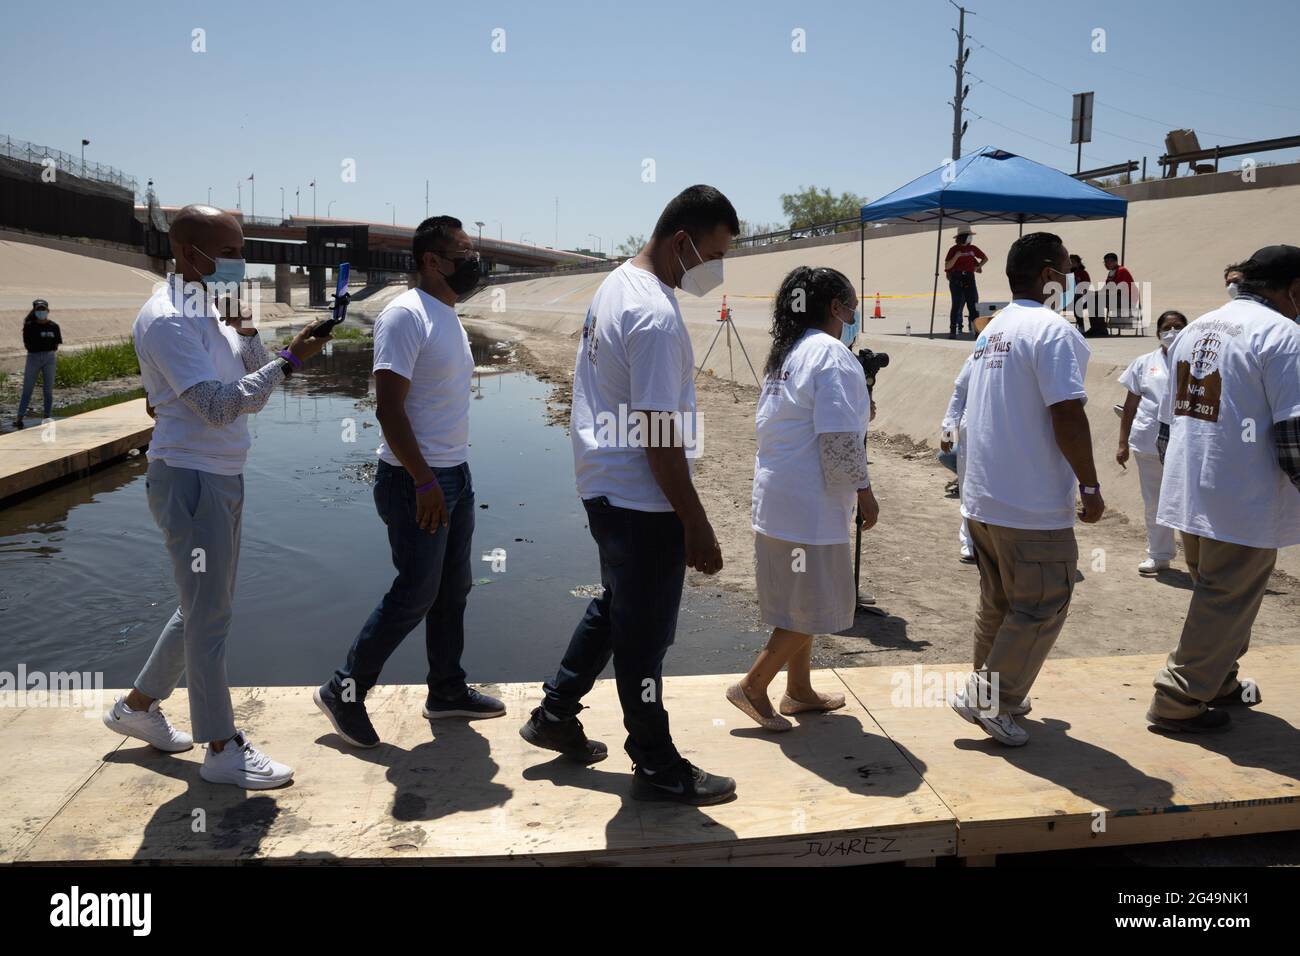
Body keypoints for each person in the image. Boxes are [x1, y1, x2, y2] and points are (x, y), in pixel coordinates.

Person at [519, 184, 739, 805]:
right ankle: (655, 761)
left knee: (618, 607)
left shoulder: (618, 283)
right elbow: (658, 432)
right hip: (642, 501)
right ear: (681, 241)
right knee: (644, 641)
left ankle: (556, 712)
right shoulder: (654, 315)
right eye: (712, 255)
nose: (713, 271)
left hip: (603, 485)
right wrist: (694, 520)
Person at [103, 204, 330, 788]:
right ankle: (222, 747)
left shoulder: (212, 306)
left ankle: (136, 707)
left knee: (201, 608)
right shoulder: (168, 319)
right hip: (191, 475)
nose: (238, 261)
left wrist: (254, 333)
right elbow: (219, 405)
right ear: (186, 253)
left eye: (239, 249)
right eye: (227, 251)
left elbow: (248, 377)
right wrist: (290, 359)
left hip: (220, 473)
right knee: (210, 618)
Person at [314, 216, 504, 748]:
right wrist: (423, 481)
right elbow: (389, 409)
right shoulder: (404, 315)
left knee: (453, 588)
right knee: (414, 592)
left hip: (454, 473)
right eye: (463, 251)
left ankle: (446, 691)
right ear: (431, 261)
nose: (473, 260)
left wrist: (448, 476)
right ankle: (343, 690)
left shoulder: (446, 313)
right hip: (414, 479)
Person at [948, 232, 1104, 747]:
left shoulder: (993, 330)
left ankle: (990, 691)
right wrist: (1089, 483)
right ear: (1046, 274)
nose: (1071, 276)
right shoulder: (1051, 330)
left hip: (986, 496)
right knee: (1042, 603)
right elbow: (1066, 411)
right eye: (1065, 268)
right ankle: (991, 698)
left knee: (1000, 602)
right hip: (1029, 504)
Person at [1148, 245, 1300, 733]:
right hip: (1240, 495)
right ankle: (1178, 697)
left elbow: (1169, 418)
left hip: (1192, 487)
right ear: (1294, 291)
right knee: (1226, 598)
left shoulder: (1198, 328)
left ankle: (1221, 679)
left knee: (1222, 593)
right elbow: (1293, 432)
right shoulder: (1285, 335)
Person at [729, 267, 877, 732]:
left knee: (798, 599)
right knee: (814, 602)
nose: (854, 313)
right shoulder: (831, 355)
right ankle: (753, 686)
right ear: (836, 308)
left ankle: (799, 689)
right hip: (810, 503)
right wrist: (865, 492)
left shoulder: (788, 354)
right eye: (851, 304)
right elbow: (837, 440)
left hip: (776, 496)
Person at [1116, 309, 1189, 575]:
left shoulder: (1197, 363)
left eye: (1178, 327)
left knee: (1187, 501)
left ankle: (1198, 560)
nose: (1172, 332)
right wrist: (1122, 443)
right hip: (1148, 441)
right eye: (1166, 328)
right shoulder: (1144, 362)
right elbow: (1130, 405)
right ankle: (1158, 555)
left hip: (1185, 444)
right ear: (1158, 333)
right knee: (1154, 501)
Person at [14, 298, 62, 428]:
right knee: (27, 389)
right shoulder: (29, 326)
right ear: (34, 311)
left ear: (48, 310)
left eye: (43, 309)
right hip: (33, 358)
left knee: (48, 390)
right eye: (38, 309)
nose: (41, 311)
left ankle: (47, 416)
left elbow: (56, 343)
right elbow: (26, 344)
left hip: (50, 358)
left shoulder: (54, 326)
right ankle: (19, 418)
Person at [944, 229, 988, 339]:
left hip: (969, 277)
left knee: (973, 305)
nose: (971, 238)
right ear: (964, 237)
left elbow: (985, 258)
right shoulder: (953, 250)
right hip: (956, 278)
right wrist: (956, 256)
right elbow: (947, 266)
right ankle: (953, 330)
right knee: (956, 305)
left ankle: (977, 331)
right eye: (969, 236)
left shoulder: (973, 248)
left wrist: (977, 267)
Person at [1097, 252, 1138, 337]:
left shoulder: (1121, 271)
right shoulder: (1111, 272)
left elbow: (1118, 288)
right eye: (1105, 262)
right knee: (1094, 300)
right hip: (1116, 297)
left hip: (1126, 299)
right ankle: (1098, 328)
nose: (1106, 264)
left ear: (1115, 262)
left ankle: (1100, 328)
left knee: (1096, 301)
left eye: (1108, 262)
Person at [1068, 255, 1092, 334]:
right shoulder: (1065, 273)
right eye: (1069, 262)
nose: (1071, 264)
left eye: (1073, 262)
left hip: (1081, 297)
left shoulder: (1083, 273)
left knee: (1077, 303)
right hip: (1067, 298)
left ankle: (1081, 327)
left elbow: (1086, 286)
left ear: (1078, 263)